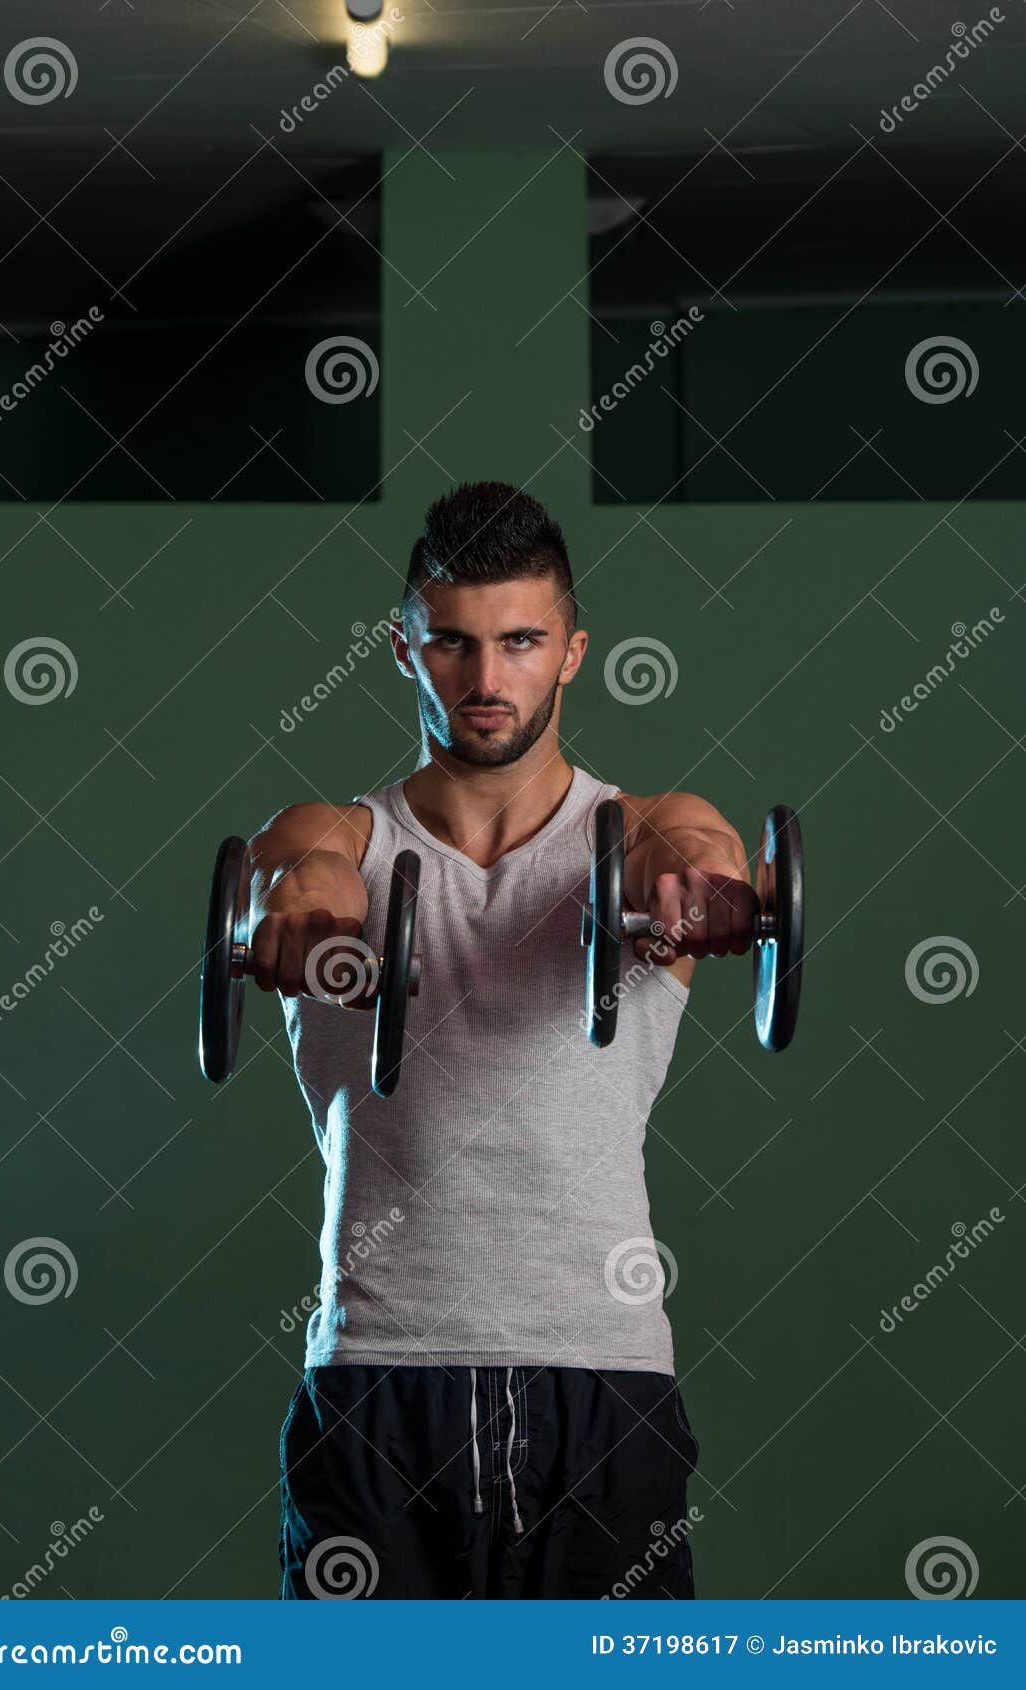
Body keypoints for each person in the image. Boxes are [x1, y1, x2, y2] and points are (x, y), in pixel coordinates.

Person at [251, 481, 756, 1600]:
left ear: (572, 652)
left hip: (603, 1383)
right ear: (403, 648)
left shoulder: (638, 837)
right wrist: (307, 918)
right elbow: (302, 870)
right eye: (454, 644)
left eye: (521, 642)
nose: (487, 680)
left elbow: (699, 839)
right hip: (378, 1382)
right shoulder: (337, 834)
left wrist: (713, 892)